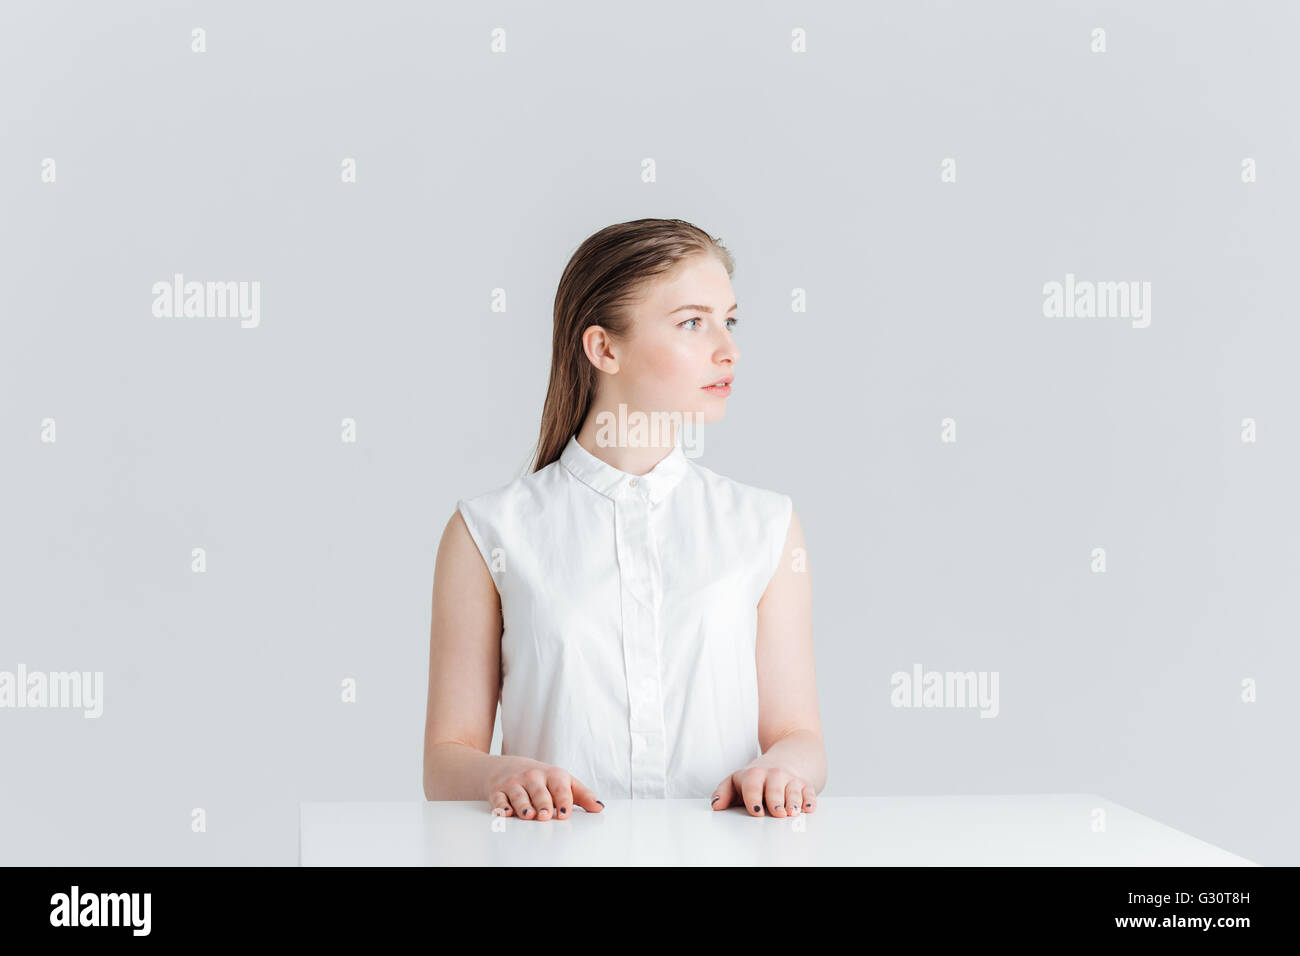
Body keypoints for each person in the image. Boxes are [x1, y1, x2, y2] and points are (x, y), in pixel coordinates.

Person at [422, 218, 825, 820]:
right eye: (693, 322)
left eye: (729, 320)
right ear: (604, 348)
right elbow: (445, 760)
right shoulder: (488, 532)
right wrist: (501, 774)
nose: (728, 348)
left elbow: (800, 734)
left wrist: (783, 769)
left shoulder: (764, 525)